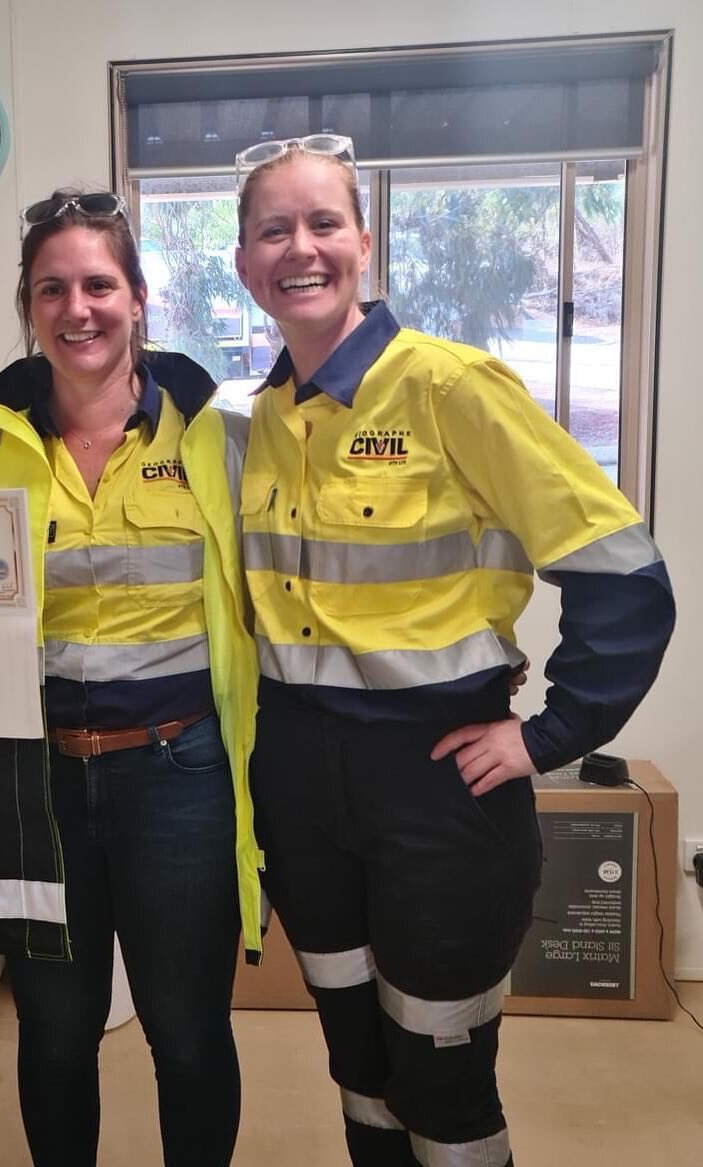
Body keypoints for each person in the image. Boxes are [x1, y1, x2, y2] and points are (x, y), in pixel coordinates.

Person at [231, 133, 675, 1167]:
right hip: (299, 782)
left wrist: (552, 733)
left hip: (434, 786)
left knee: (440, 1071)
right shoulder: (255, 423)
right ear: (245, 263)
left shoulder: (449, 389)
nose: (301, 247)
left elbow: (622, 570)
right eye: (272, 229)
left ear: (363, 241)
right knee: (356, 1060)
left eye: (323, 222)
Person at [0, 188, 261, 1166]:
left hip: (181, 778)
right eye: (53, 289)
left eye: (97, 284)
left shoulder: (217, 438)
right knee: (53, 1030)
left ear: (137, 297)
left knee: (188, 1033)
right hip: (35, 779)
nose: (77, 308)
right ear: (28, 306)